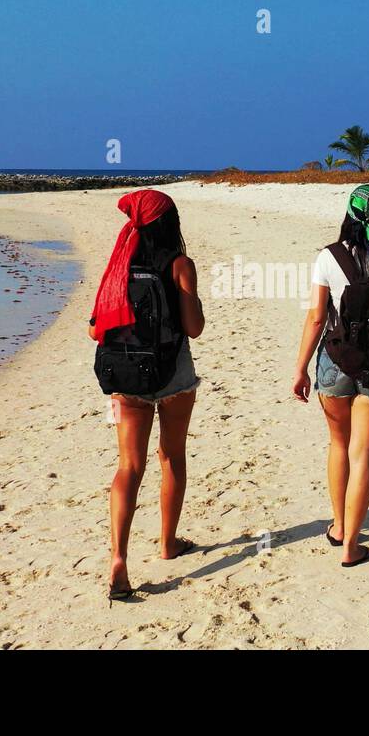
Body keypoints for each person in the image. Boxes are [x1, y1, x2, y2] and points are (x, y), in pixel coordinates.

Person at [89, 189, 204, 599]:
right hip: (172, 375)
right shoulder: (179, 264)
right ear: (170, 223)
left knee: (128, 466)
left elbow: (94, 329)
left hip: (124, 377)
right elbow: (193, 328)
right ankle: (168, 542)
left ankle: (118, 557)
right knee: (171, 455)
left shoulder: (120, 262)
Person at [291, 184, 369, 568]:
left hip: (335, 361)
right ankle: (351, 548)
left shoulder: (328, 258)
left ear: (348, 214)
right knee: (364, 455)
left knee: (338, 445)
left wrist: (299, 368)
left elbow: (316, 318)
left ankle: (340, 527)